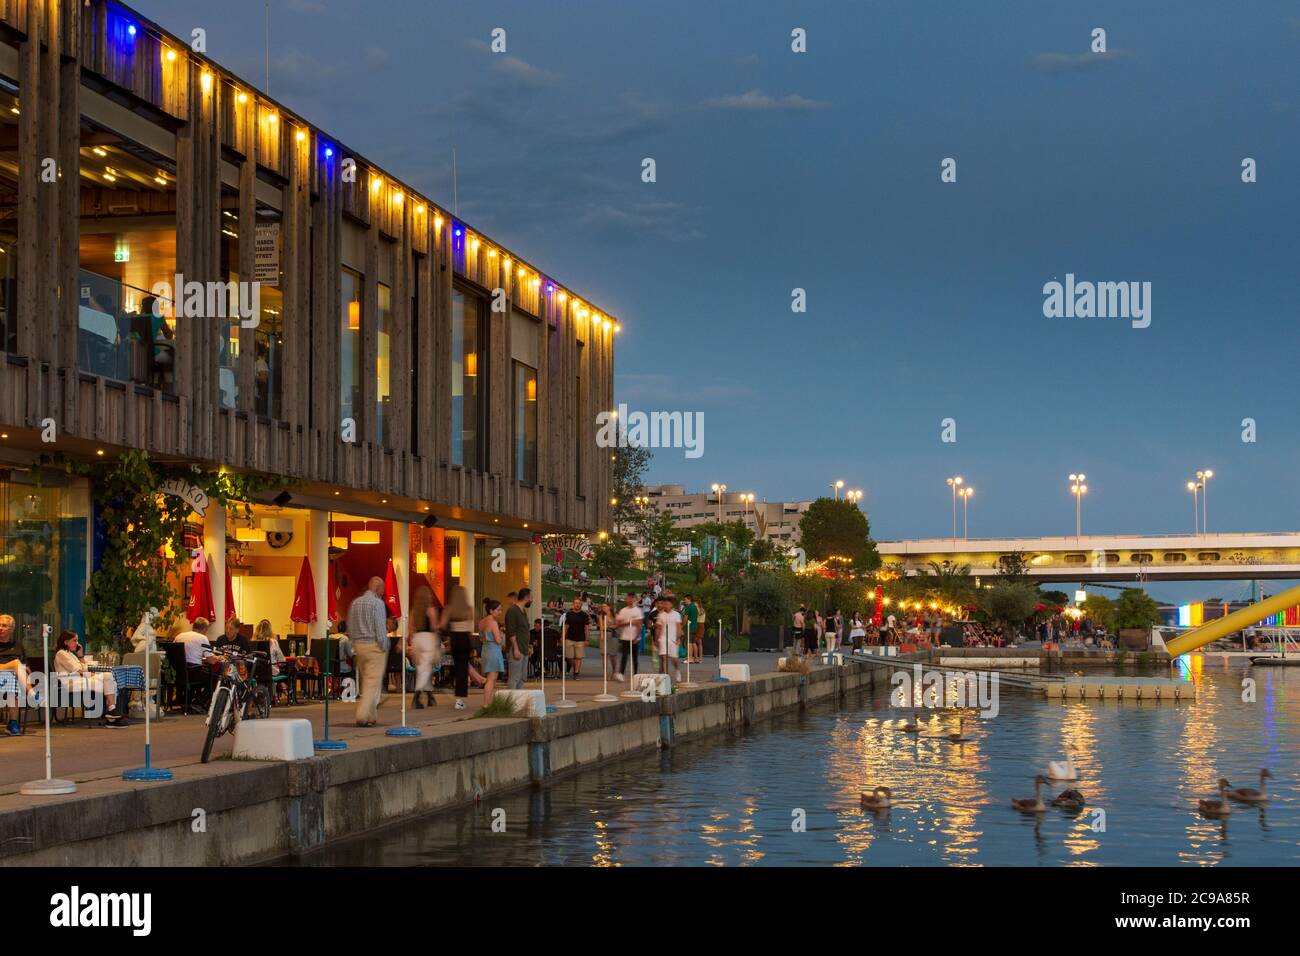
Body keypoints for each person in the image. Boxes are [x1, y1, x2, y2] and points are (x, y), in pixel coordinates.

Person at [53, 631, 124, 726]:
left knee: (109, 678)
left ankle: (111, 712)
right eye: (74, 640)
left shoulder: (70, 653)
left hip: (81, 680)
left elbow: (83, 666)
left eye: (77, 640)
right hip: (72, 683)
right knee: (108, 679)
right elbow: (78, 670)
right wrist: (92, 675)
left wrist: (80, 654)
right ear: (66, 642)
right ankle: (111, 712)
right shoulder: (61, 654)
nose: (77, 643)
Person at [346, 576, 390, 727]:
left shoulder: (355, 603)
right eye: (383, 590)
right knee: (372, 683)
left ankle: (372, 716)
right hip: (374, 647)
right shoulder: (378, 604)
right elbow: (380, 630)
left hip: (359, 647)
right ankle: (362, 715)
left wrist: (354, 645)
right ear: (378, 589)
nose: (383, 593)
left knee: (368, 682)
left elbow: (350, 627)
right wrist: (384, 647)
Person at [439, 585, 476, 710]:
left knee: (457, 665)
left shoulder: (449, 609)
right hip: (465, 639)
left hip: (454, 638)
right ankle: (460, 699)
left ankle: (448, 683)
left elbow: (442, 625)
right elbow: (472, 625)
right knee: (463, 669)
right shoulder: (469, 609)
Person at [408, 585, 440, 708]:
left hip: (417, 639)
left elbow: (411, 630)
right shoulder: (431, 610)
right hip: (428, 639)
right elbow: (434, 628)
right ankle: (416, 697)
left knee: (422, 667)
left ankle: (430, 697)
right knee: (425, 669)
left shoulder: (413, 611)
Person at [0, 614, 31, 735]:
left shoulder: (18, 646)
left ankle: (13, 723)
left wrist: (29, 677)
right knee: (16, 663)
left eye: (4, 625)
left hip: (9, 680)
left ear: (12, 629)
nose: (0, 628)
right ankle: (32, 693)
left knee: (13, 682)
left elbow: (26, 667)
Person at [478, 598, 505, 705]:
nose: (500, 612)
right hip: (494, 651)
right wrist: (502, 635)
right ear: (491, 611)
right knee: (491, 679)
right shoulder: (493, 623)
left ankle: (488, 703)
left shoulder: (481, 622)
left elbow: (481, 638)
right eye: (498, 610)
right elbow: (498, 640)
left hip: (485, 650)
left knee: (490, 677)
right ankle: (486, 704)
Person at [504, 588, 532, 690]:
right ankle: (511, 701)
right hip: (516, 648)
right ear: (526, 597)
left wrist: (528, 646)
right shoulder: (513, 611)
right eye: (531, 597)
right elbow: (511, 631)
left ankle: (519, 700)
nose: (532, 600)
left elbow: (524, 630)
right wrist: (515, 648)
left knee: (522, 677)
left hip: (524, 648)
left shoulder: (523, 611)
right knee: (514, 677)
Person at [653, 595, 683, 682]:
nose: (665, 605)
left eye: (667, 604)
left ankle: (677, 671)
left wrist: (678, 638)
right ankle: (666, 677)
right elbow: (658, 628)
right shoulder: (661, 615)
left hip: (673, 639)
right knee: (664, 658)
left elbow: (679, 627)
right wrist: (656, 639)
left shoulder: (676, 614)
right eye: (664, 604)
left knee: (674, 659)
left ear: (671, 605)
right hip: (663, 639)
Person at [614, 592, 643, 681]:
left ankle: (635, 674)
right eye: (628, 598)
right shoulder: (623, 611)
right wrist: (629, 622)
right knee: (624, 656)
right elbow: (618, 624)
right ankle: (621, 673)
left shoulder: (638, 610)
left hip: (635, 637)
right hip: (625, 637)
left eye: (631, 598)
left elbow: (639, 624)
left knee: (635, 657)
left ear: (634, 599)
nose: (629, 600)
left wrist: (637, 636)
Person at [562, 597, 590, 680]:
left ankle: (576, 673)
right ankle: (575, 667)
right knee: (569, 657)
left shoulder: (584, 615)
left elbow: (587, 628)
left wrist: (587, 639)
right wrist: (562, 637)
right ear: (573, 604)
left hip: (580, 639)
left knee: (578, 657)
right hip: (570, 638)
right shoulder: (569, 614)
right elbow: (566, 627)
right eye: (576, 603)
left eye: (578, 603)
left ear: (580, 604)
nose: (577, 605)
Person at [681, 595, 700, 664]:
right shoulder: (695, 607)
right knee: (693, 643)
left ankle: (690, 658)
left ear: (689, 599)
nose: (684, 601)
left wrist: (681, 626)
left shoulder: (688, 607)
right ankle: (696, 658)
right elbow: (698, 614)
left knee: (688, 643)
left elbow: (685, 618)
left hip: (689, 626)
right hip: (695, 626)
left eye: (685, 599)